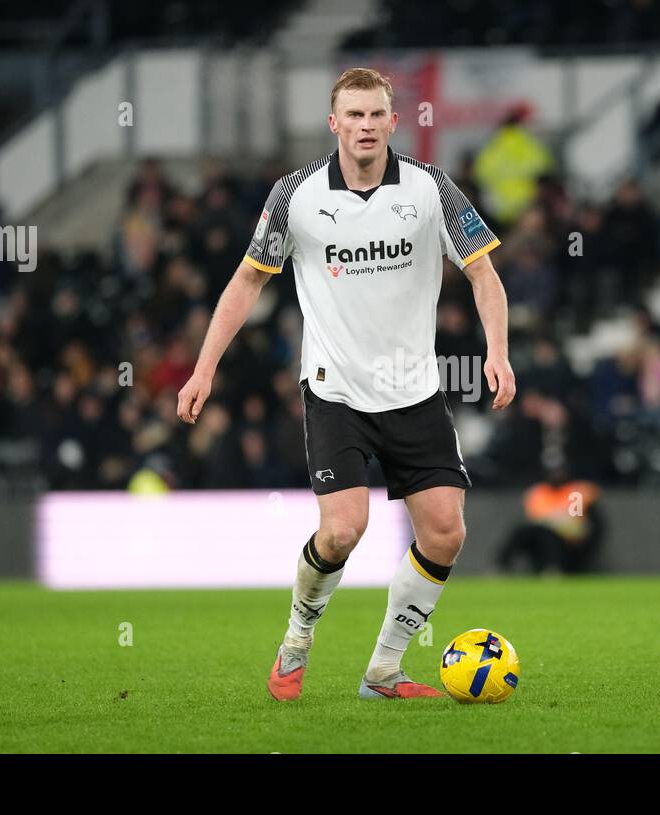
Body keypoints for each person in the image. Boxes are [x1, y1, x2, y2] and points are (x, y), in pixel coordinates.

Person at [176, 67, 516, 700]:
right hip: (335, 391)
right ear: (334, 124)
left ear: (393, 121)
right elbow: (249, 279)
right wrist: (204, 368)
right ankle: (298, 636)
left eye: (376, 115)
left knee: (446, 530)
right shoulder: (295, 195)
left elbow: (483, 274)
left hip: (414, 390)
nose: (365, 126)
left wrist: (496, 350)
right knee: (342, 530)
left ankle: (384, 670)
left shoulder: (429, 188)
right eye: (353, 115)